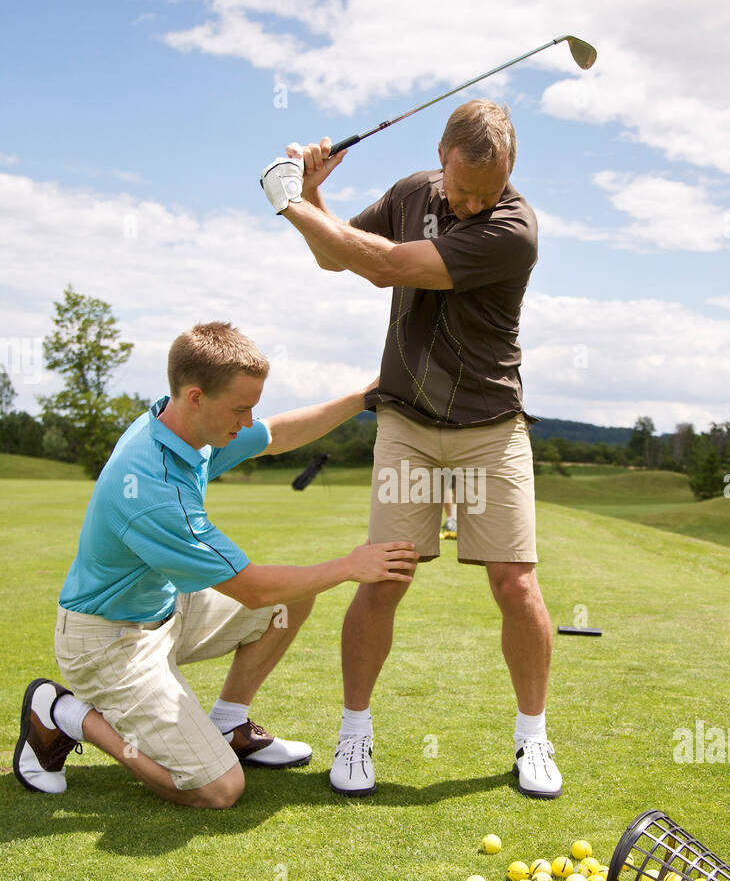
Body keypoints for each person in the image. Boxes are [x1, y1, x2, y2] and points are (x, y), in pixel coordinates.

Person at [260, 99, 559, 799]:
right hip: (408, 421)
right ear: (440, 155)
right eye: (464, 189)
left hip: (491, 426)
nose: (475, 203)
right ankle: (354, 734)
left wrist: (289, 202)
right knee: (385, 577)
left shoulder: (513, 230)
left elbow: (386, 266)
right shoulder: (409, 195)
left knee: (515, 583)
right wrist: (315, 195)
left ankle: (533, 737)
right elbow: (335, 257)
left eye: (490, 190)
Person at [13, 323, 416, 809]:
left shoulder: (184, 427)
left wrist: (360, 399)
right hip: (107, 645)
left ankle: (229, 723)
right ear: (195, 397)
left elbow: (277, 434)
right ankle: (64, 714)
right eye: (240, 409)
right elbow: (253, 589)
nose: (248, 422)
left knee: (292, 599)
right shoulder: (153, 486)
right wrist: (351, 566)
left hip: (164, 612)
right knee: (218, 789)